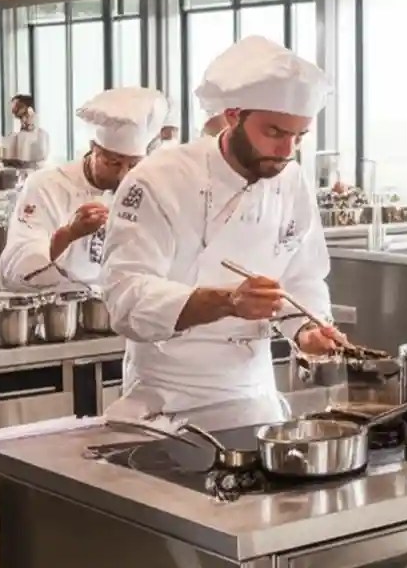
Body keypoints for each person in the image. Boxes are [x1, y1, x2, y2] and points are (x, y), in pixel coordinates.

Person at [100, 36, 345, 428]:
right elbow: (125, 299)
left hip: (253, 395)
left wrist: (307, 329)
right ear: (233, 116)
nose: (287, 151)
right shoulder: (159, 179)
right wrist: (229, 301)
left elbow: (303, 276)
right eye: (275, 133)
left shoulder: (293, 182)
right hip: (167, 401)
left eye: (299, 137)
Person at [0, 87, 167, 290]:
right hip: (58, 309)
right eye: (113, 163)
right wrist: (69, 234)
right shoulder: (46, 186)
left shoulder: (144, 188)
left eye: (133, 165)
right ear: (93, 148)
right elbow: (16, 268)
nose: (123, 175)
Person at [2, 94, 50, 169]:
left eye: (23, 116)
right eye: (19, 117)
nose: (22, 120)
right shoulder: (17, 136)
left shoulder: (42, 136)